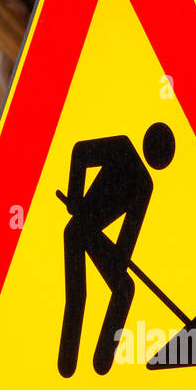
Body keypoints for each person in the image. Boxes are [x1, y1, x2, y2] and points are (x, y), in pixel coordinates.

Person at [57, 123, 175, 377]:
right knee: (78, 296)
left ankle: (102, 361)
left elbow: (127, 237)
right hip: (78, 230)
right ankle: (66, 365)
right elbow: (80, 153)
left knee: (124, 289)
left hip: (95, 237)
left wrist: (119, 257)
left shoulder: (145, 185)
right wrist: (75, 196)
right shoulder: (121, 148)